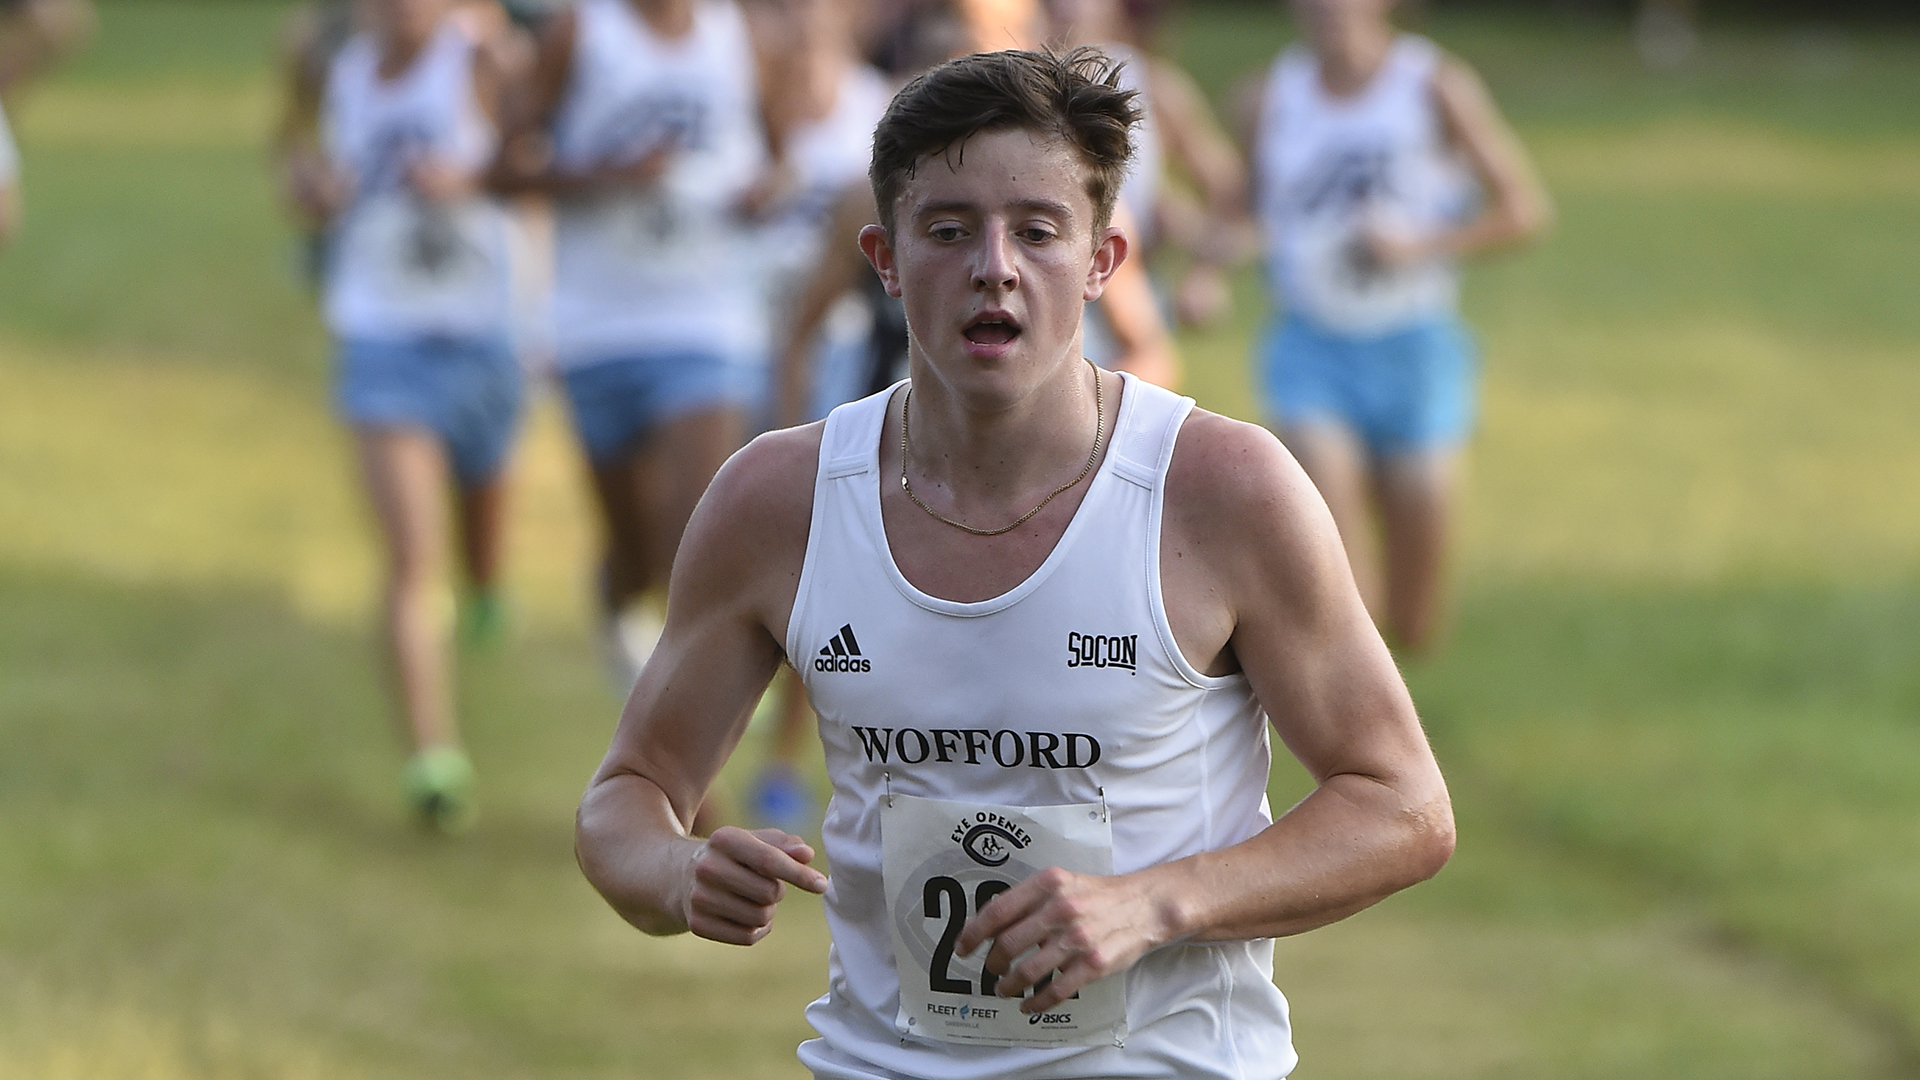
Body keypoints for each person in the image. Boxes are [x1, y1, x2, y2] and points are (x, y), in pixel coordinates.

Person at [576, 47, 1453, 1078]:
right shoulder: (779, 500)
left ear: (1102, 262)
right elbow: (628, 795)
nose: (994, 264)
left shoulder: (1224, 491)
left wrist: (1155, 904)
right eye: (949, 231)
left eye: (1037, 230)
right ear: (885, 257)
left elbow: (1400, 805)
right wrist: (677, 873)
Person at [282, 0, 529, 832]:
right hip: (381, 336)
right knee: (410, 558)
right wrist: (312, 186)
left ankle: (488, 587)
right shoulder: (331, 63)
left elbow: (537, 163)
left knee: (481, 547)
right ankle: (433, 756)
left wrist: (474, 177)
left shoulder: (483, 59)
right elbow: (294, 155)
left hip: (483, 336)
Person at [1250, 0, 1551, 653]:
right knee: (1343, 583)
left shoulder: (1433, 83)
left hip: (1414, 344)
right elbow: (1242, 210)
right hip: (1310, 344)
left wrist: (1416, 246)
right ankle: (1356, 729)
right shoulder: (1270, 95)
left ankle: (1402, 709)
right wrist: (1207, 264)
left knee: (1415, 622)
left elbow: (1524, 210)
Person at [491, 0, 773, 695]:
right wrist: (610, 174)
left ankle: (702, 729)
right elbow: (502, 170)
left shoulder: (736, 35)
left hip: (706, 320)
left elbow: (780, 154)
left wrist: (762, 193)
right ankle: (617, 596)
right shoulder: (581, 33)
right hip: (599, 328)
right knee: (641, 550)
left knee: (698, 533)